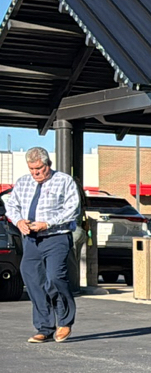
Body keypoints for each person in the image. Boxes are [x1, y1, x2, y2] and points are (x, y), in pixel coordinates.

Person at [2, 147, 81, 343]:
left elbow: (73, 209)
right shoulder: (23, 182)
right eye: (31, 169)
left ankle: (64, 321)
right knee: (32, 280)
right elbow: (12, 205)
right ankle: (44, 327)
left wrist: (48, 223)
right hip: (31, 239)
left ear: (48, 165)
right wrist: (19, 220)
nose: (35, 173)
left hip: (56, 237)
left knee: (55, 278)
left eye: (39, 168)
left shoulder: (64, 181)